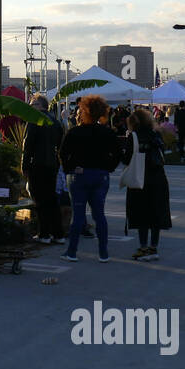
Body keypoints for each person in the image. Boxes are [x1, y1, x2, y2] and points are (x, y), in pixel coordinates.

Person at [58, 94, 121, 262]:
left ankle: (72, 252)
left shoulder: (75, 132)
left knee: (78, 215)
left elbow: (63, 153)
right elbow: (118, 154)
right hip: (101, 176)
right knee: (99, 214)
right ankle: (103, 252)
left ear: (84, 111)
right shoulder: (107, 133)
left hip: (79, 176)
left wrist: (69, 169)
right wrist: (108, 168)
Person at [122, 108, 172, 261]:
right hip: (158, 178)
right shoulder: (156, 134)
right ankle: (153, 247)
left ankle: (143, 247)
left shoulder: (133, 136)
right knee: (156, 214)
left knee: (141, 214)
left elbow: (126, 159)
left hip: (140, 178)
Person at [21, 94, 65, 244]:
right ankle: (58, 233)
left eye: (33, 104)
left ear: (40, 106)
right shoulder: (56, 122)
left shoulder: (34, 120)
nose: (31, 106)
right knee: (51, 198)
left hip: (37, 164)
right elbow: (60, 144)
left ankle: (44, 233)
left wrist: (24, 166)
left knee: (39, 199)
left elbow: (27, 146)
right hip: (51, 164)